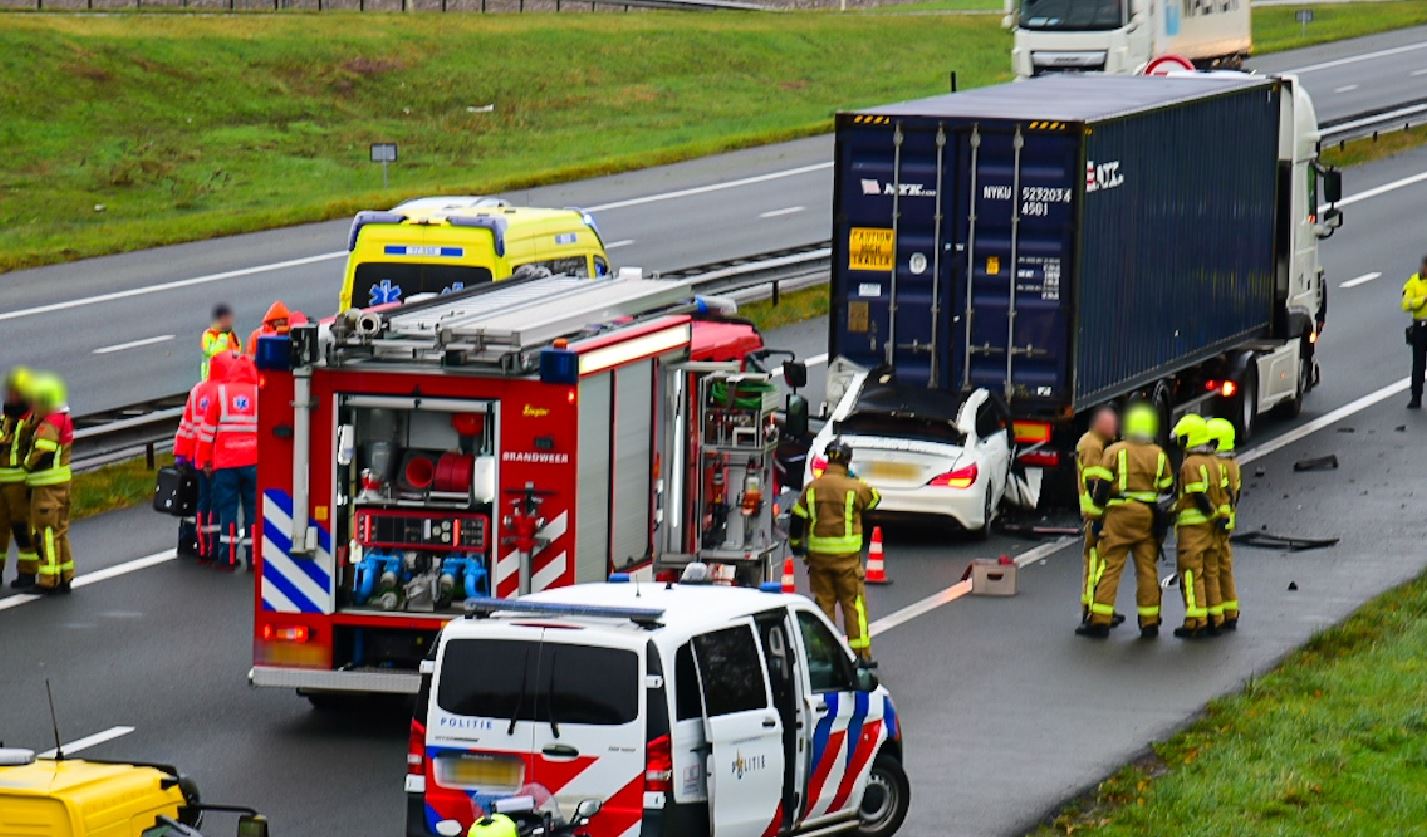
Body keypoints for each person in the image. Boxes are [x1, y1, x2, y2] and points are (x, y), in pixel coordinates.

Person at [1077, 402, 1173, 639]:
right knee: (1147, 570)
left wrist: (1099, 514)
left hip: (1118, 516)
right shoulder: (1159, 455)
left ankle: (1099, 621)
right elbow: (1167, 489)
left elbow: (1101, 489)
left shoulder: (1114, 451)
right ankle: (1150, 622)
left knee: (1110, 567)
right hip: (1146, 518)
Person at [790, 437, 881, 664]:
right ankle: (860, 655)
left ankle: (825, 656)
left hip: (819, 561)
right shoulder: (855, 488)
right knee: (853, 604)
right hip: (847, 562)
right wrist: (855, 480)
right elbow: (875, 500)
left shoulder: (812, 488)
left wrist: (796, 545)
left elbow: (797, 517)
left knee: (824, 606)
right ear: (847, 462)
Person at [197, 354, 259, 572]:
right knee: (253, 510)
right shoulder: (259, 393)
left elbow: (206, 432)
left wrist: (204, 460)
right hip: (253, 462)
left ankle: (228, 557)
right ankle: (254, 559)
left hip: (225, 464)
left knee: (227, 510)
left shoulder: (220, 393)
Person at [175, 350, 237, 562]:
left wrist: (181, 455)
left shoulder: (197, 390)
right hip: (217, 458)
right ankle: (214, 545)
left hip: (194, 456)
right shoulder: (224, 392)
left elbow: (185, 425)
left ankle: (200, 546)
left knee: (201, 502)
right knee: (219, 503)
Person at [1170, 414, 1226, 640]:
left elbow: (1196, 494)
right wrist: (1218, 517)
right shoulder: (1215, 461)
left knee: (1192, 575)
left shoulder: (1191, 463)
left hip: (1193, 530)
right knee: (1211, 573)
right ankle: (1216, 618)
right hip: (1211, 529)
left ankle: (1196, 622)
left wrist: (1174, 511)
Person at [23, 374, 74, 593]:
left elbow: (41, 452)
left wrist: (25, 464)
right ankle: (64, 574)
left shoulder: (50, 423)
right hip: (60, 483)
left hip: (47, 487)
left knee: (47, 531)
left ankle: (49, 580)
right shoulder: (61, 417)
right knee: (59, 531)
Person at [1075, 406, 1121, 626]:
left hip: (1095, 513)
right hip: (1096, 514)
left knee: (1097, 563)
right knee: (1096, 564)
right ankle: (1094, 610)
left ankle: (1095, 608)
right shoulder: (1093, 446)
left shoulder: (1093, 443)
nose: (1115, 428)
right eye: (1112, 424)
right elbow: (1094, 482)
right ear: (1101, 425)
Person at [1, 369, 37, 589]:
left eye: (16, 392)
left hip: (20, 485)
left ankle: (27, 572)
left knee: (22, 529)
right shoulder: (5, 419)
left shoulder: (33, 421)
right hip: (2, 484)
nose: (11, 396)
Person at [1205, 417, 1242, 631]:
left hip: (1214, 522)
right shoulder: (1233, 466)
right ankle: (1230, 612)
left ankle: (1215, 615)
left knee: (1210, 569)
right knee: (1225, 568)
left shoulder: (1215, 466)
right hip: (1227, 523)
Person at [1403, 256, 1427, 409]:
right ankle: (1416, 397)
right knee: (1418, 365)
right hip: (1420, 328)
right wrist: (1423, 300)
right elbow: (1406, 304)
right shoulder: (1413, 283)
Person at [200, 303, 240, 382]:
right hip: (212, 379)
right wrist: (223, 335)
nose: (230, 321)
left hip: (230, 378)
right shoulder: (209, 335)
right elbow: (214, 353)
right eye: (227, 318)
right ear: (220, 319)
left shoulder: (232, 335)